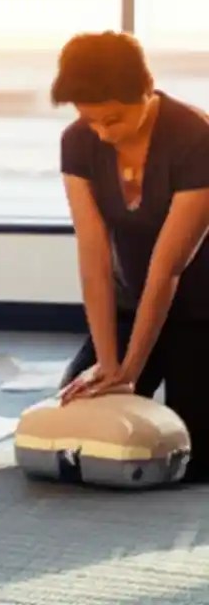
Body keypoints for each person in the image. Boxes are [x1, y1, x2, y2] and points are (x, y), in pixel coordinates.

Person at [52, 31, 209, 484]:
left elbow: (169, 267)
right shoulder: (78, 141)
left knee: (195, 458)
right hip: (128, 299)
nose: (101, 133)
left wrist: (132, 371)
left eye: (113, 120)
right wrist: (108, 362)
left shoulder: (196, 138)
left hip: (198, 307)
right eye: (90, 120)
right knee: (80, 425)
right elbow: (94, 255)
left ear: (147, 89)